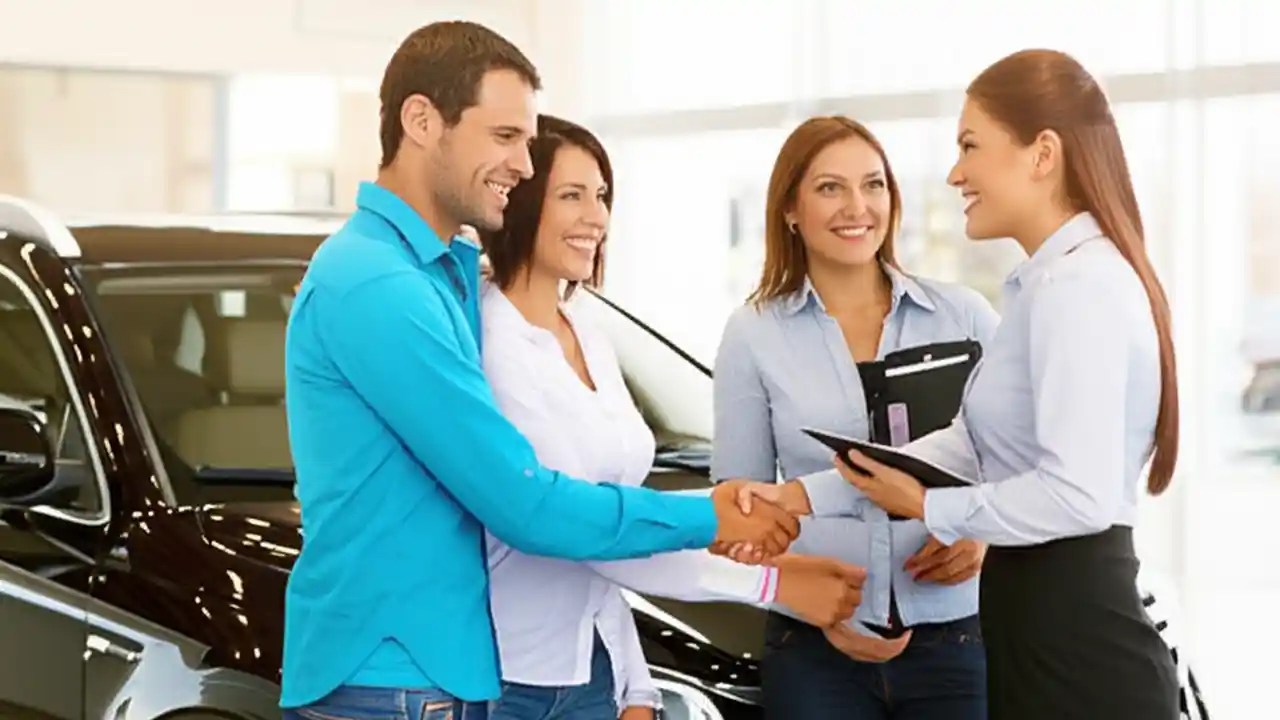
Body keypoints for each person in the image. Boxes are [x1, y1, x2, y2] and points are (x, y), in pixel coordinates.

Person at [281, 22, 801, 720]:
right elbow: (525, 504)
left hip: (435, 669)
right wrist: (710, 515)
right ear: (421, 121)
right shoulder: (380, 287)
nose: (525, 165)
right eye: (504, 137)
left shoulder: (437, 277)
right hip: (392, 678)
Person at [749, 50, 1182, 719]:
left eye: (970, 146)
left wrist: (928, 509)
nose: (955, 172)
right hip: (1039, 629)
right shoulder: (1044, 287)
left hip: (1078, 646)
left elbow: (1078, 497)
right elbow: (971, 444)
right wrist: (801, 493)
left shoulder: (1080, 289)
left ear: (1042, 154)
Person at [477, 114, 867, 720]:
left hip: (592, 671)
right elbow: (580, 531)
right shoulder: (493, 345)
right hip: (510, 683)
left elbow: (619, 512)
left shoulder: (585, 330)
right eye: (572, 196)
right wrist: (771, 583)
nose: (596, 218)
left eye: (601, 195)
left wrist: (634, 687)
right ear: (521, 201)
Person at [712, 116, 998, 720]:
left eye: (873, 185)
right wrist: (809, 592)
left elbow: (1024, 464)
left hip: (958, 642)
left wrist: (982, 538)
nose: (857, 206)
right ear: (790, 208)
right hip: (814, 652)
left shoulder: (964, 317)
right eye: (829, 188)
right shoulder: (753, 334)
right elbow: (739, 508)